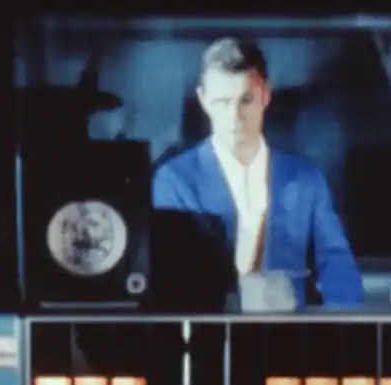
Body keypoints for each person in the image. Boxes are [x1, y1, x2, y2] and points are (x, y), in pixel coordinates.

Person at [152, 37, 364, 308]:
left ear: (265, 95)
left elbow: (336, 263)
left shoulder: (305, 178)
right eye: (222, 102)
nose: (234, 116)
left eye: (246, 100)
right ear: (203, 100)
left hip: (292, 332)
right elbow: (171, 279)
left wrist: (341, 323)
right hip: (207, 331)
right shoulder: (174, 180)